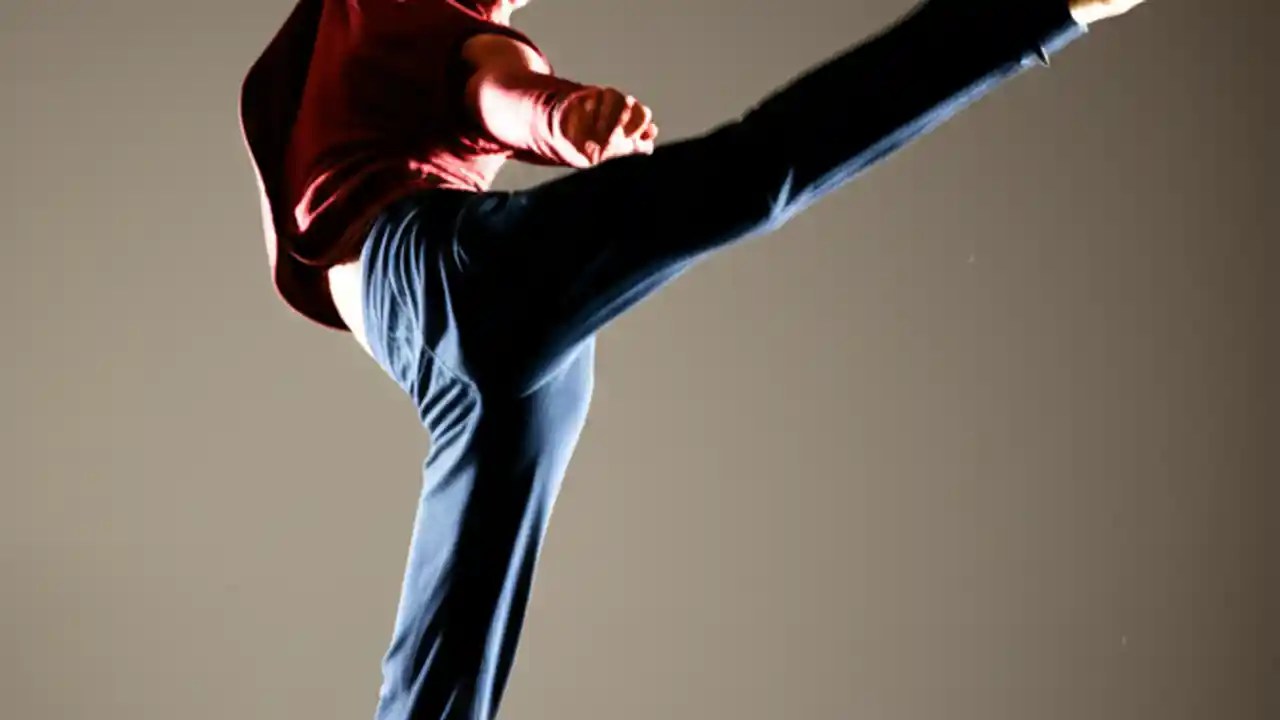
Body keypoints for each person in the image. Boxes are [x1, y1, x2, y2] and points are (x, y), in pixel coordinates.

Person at [239, 0, 1147, 717]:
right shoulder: (408, 14)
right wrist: (554, 114)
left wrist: (562, 116)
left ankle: (1033, 8)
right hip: (456, 335)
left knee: (755, 176)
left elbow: (497, 87)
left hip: (455, 301)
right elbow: (488, 82)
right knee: (442, 676)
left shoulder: (453, 34)